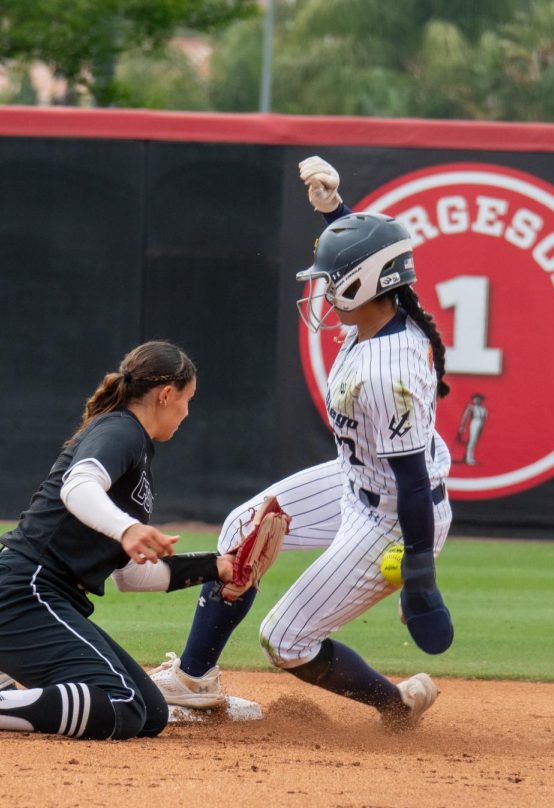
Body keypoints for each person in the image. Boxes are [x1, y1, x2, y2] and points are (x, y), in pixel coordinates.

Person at [150, 156, 454, 729]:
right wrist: (336, 212)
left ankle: (396, 706)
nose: (321, 288)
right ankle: (194, 682)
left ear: (365, 284)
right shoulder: (381, 317)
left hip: (393, 514)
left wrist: (419, 580)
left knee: (284, 639)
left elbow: (412, 482)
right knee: (244, 528)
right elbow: (368, 257)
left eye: (330, 279)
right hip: (357, 479)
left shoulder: (389, 369)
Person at [0, 341, 237, 739]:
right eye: (187, 399)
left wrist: (216, 566)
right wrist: (126, 528)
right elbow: (77, 487)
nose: (187, 412)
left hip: (38, 602)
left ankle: (3, 693)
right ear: (165, 395)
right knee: (123, 706)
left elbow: (130, 576)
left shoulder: (135, 446)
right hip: (23, 598)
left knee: (150, 714)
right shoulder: (121, 430)